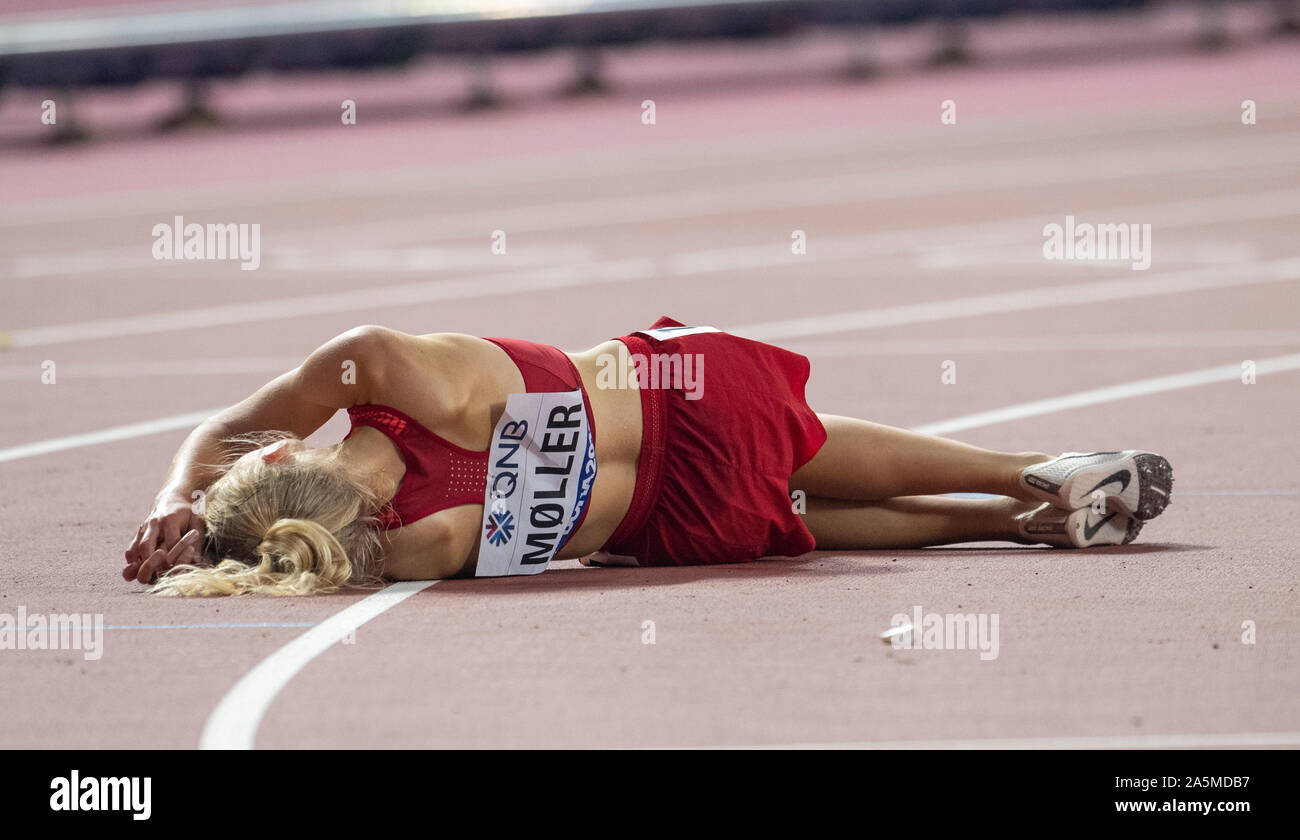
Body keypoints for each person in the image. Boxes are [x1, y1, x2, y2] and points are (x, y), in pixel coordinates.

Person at [123, 317, 1172, 596]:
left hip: (672, 532)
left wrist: (225, 534)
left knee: (796, 515)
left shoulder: (397, 555)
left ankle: (1004, 521)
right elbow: (227, 429)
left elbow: (287, 530)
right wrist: (181, 488)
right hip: (678, 398)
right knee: (806, 446)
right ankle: (1025, 469)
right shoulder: (382, 369)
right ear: (275, 456)